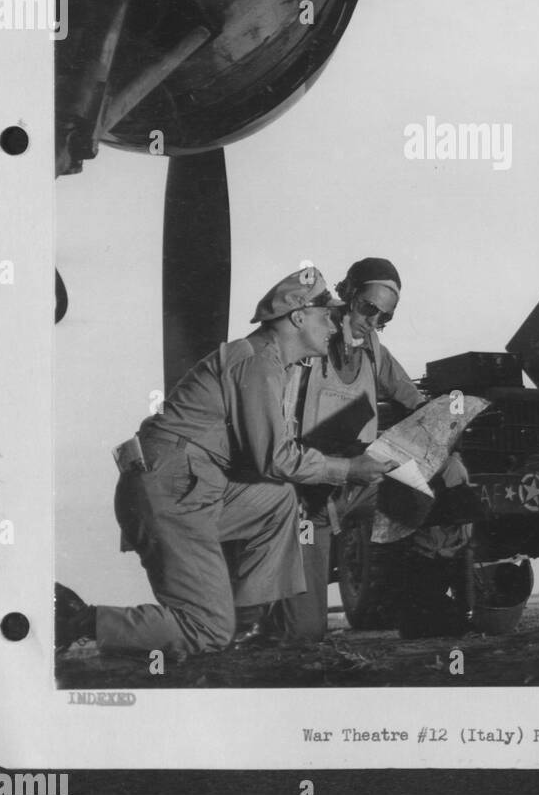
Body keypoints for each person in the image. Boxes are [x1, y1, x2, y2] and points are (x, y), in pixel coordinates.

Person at [54, 265, 394, 657]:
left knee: (278, 500)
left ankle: (244, 624)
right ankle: (77, 620)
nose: (335, 326)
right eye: (326, 316)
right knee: (206, 632)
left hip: (189, 486)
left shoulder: (267, 362)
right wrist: (349, 469)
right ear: (298, 317)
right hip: (173, 491)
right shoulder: (258, 363)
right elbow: (276, 458)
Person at [272, 257, 430, 644]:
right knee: (305, 634)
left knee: (428, 490)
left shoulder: (373, 346)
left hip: (352, 482)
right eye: (368, 309)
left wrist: (446, 437)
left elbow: (411, 397)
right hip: (305, 491)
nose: (373, 323)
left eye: (384, 319)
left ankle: (428, 605)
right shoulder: (309, 337)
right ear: (348, 293)